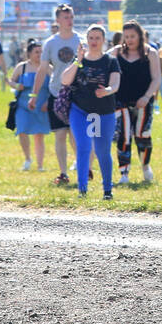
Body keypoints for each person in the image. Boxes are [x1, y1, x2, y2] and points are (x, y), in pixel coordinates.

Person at [61, 24, 120, 198]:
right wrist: (78, 60)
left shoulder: (110, 61)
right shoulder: (79, 60)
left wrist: (107, 91)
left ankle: (107, 190)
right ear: (86, 40)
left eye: (97, 38)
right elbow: (65, 80)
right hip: (81, 111)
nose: (94, 41)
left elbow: (115, 84)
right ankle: (82, 189)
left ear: (103, 40)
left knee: (102, 151)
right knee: (84, 146)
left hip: (104, 112)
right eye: (91, 38)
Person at [31, 4, 81, 185]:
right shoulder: (51, 43)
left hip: (77, 94)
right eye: (66, 17)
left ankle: (83, 169)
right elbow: (42, 69)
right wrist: (34, 95)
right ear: (58, 20)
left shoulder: (80, 41)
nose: (70, 20)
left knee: (75, 134)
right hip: (56, 93)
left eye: (71, 17)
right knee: (60, 134)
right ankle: (63, 173)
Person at [110, 21, 160, 185]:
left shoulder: (150, 53)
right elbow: (101, 59)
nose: (129, 40)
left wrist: (146, 97)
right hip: (121, 100)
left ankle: (145, 165)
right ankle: (124, 172)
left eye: (133, 36)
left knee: (142, 134)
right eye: (126, 37)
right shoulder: (116, 53)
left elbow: (156, 79)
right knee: (123, 137)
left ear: (140, 36)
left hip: (144, 101)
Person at [9, 38, 51, 171]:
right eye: (36, 52)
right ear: (29, 53)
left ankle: (40, 164)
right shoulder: (22, 67)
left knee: (39, 135)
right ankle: (27, 158)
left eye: (41, 52)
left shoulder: (48, 68)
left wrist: (49, 101)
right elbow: (10, 81)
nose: (39, 55)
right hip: (23, 106)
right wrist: (17, 85)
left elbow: (55, 86)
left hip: (41, 106)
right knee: (22, 130)